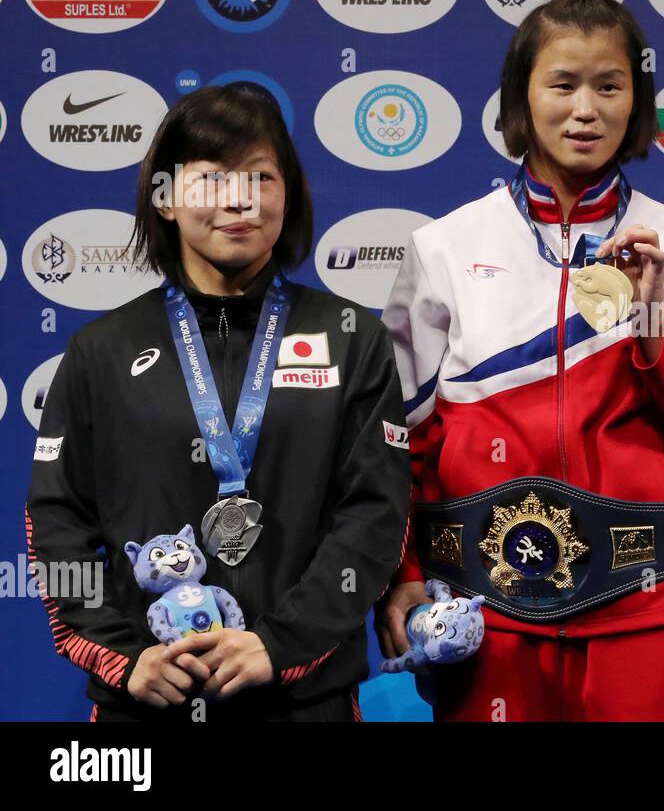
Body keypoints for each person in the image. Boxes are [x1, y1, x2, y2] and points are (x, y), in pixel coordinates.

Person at [377, 0, 664, 721]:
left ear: (636, 101)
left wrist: (652, 323)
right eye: (562, 83)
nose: (586, 109)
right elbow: (401, 439)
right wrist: (406, 572)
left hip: (645, 612)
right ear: (521, 98)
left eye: (610, 85)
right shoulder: (444, 247)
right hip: (486, 617)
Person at [25, 84, 410, 721]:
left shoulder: (351, 338)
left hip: (303, 701)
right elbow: (57, 527)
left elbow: (375, 518)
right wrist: (126, 656)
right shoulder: (100, 350)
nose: (239, 199)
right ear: (166, 199)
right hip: (144, 705)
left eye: (261, 176)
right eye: (210, 178)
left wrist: (277, 645)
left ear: (288, 194)